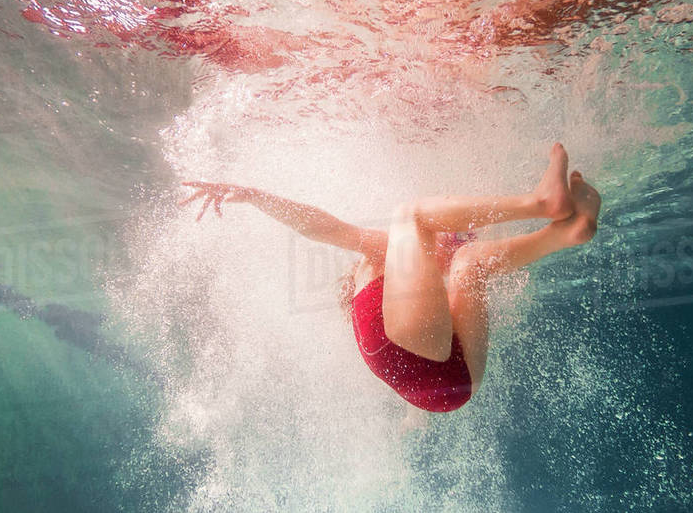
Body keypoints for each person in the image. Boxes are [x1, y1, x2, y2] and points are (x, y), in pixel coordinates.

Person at [180, 143, 601, 416]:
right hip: (424, 364)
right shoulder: (381, 253)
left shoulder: (396, 278)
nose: (444, 242)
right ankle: (541, 203)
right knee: (410, 215)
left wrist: (256, 197)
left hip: (451, 392)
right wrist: (255, 196)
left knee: (470, 263)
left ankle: (563, 234)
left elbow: (321, 229)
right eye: (444, 238)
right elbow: (320, 227)